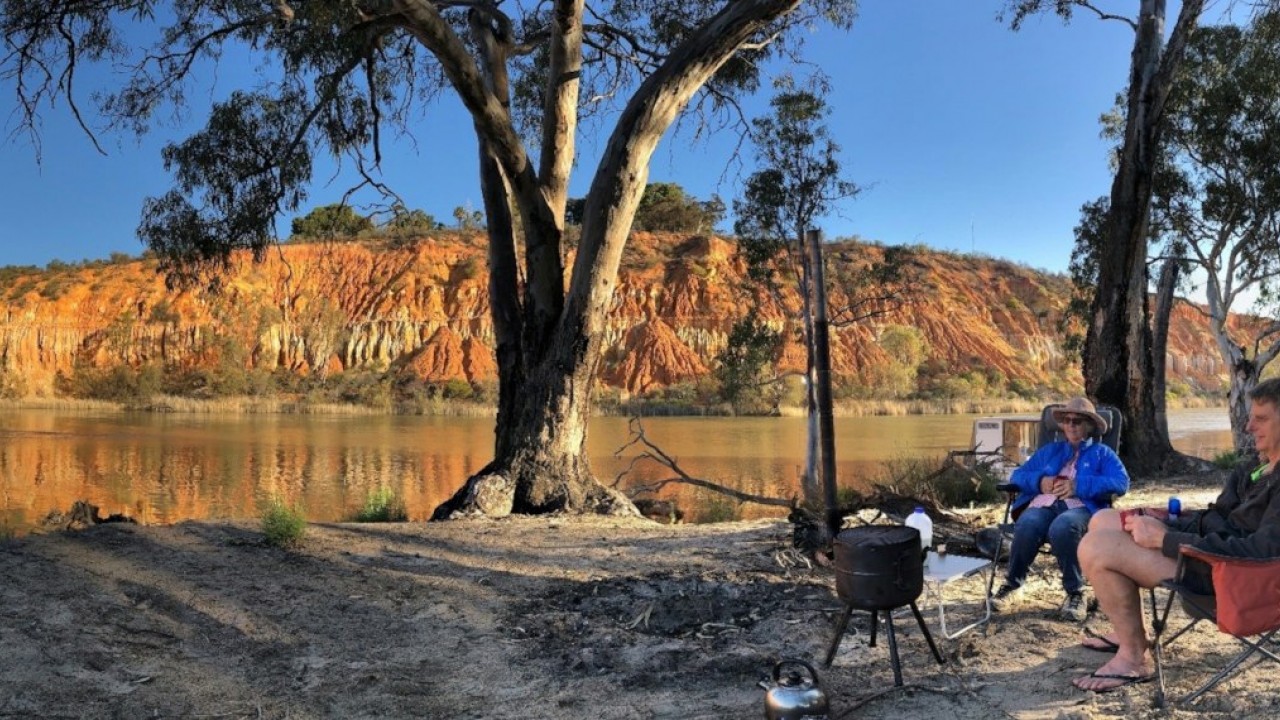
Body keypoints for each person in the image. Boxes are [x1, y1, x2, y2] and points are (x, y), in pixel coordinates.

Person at [1072, 378, 1280, 693]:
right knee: (1104, 519)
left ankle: (1133, 658)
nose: (1249, 426)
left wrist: (1166, 540)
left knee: (1095, 549)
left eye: (1261, 419)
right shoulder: (1256, 468)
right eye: (1250, 416)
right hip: (1208, 556)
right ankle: (1131, 633)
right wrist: (1170, 520)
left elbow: (1261, 550)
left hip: (1236, 578)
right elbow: (1218, 518)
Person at [991, 397, 1130, 622]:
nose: (1072, 424)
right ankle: (1013, 586)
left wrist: (1079, 486)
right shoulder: (1049, 451)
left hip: (1082, 508)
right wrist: (1040, 482)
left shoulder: (1102, 453)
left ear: (1090, 426)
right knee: (1027, 522)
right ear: (1062, 425)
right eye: (1067, 420)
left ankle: (1076, 593)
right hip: (1044, 504)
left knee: (1063, 526)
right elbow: (1017, 476)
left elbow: (1121, 483)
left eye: (1078, 420)